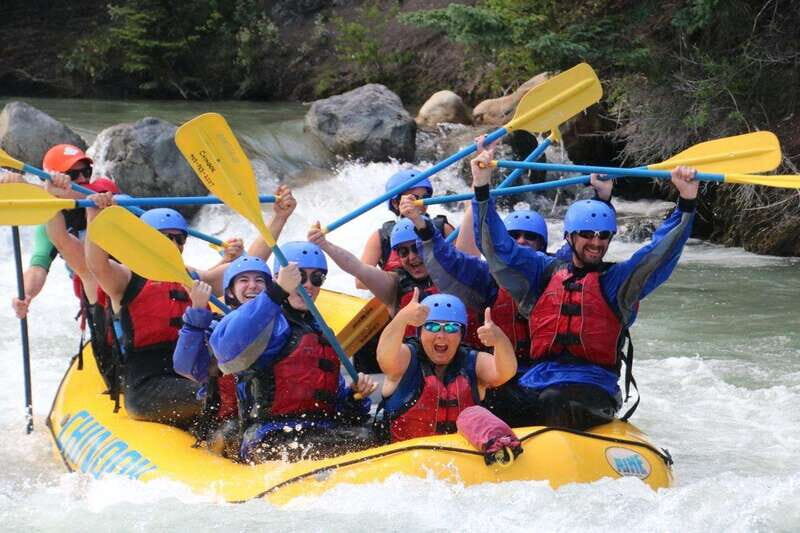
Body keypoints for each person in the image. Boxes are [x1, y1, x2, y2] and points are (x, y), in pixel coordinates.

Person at [471, 141, 699, 430]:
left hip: (594, 387)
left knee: (554, 401)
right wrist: (481, 187)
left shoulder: (618, 282)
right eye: (587, 234)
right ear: (568, 237)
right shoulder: (541, 273)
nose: (596, 242)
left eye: (604, 235)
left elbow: (659, 254)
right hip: (538, 379)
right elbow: (497, 248)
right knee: (485, 404)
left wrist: (686, 201)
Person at [208, 242, 378, 463]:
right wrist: (276, 291)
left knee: (372, 434)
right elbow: (224, 348)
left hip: (320, 430)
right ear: (282, 278)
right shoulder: (267, 323)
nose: (307, 285)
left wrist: (356, 396)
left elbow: (339, 407)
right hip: (268, 435)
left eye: (315, 278)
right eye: (299, 277)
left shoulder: (321, 332)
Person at [85, 195, 241, 428]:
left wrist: (278, 218)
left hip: (191, 376)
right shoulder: (125, 279)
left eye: (179, 239)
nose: (173, 244)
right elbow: (96, 264)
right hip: (147, 388)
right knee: (214, 394)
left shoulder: (190, 278)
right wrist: (97, 216)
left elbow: (246, 271)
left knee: (241, 387)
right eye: (165, 238)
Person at [308, 218, 486, 348]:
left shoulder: (458, 274)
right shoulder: (393, 285)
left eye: (417, 248)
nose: (412, 257)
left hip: (463, 364)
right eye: (403, 252)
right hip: (416, 371)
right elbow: (357, 268)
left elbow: (472, 229)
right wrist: (325, 244)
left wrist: (478, 183)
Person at [376, 291, 517, 442]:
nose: (441, 335)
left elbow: (505, 373)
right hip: (405, 459)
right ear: (420, 332)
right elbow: (384, 357)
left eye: (451, 328)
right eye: (432, 326)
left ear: (461, 335)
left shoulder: (472, 362)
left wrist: (500, 340)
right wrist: (401, 318)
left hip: (457, 458)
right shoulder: (406, 359)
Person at [173, 255, 272, 457]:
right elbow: (185, 367)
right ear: (230, 292)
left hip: (273, 421)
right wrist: (198, 312)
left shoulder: (283, 327)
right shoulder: (216, 330)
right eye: (244, 280)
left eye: (259, 280)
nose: (252, 286)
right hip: (230, 423)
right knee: (233, 433)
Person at [357, 169, 454, 287]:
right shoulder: (381, 237)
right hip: (402, 297)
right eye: (413, 198)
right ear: (395, 203)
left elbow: (468, 266)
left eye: (425, 197)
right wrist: (396, 277)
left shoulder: (442, 228)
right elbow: (360, 283)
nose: (421, 203)